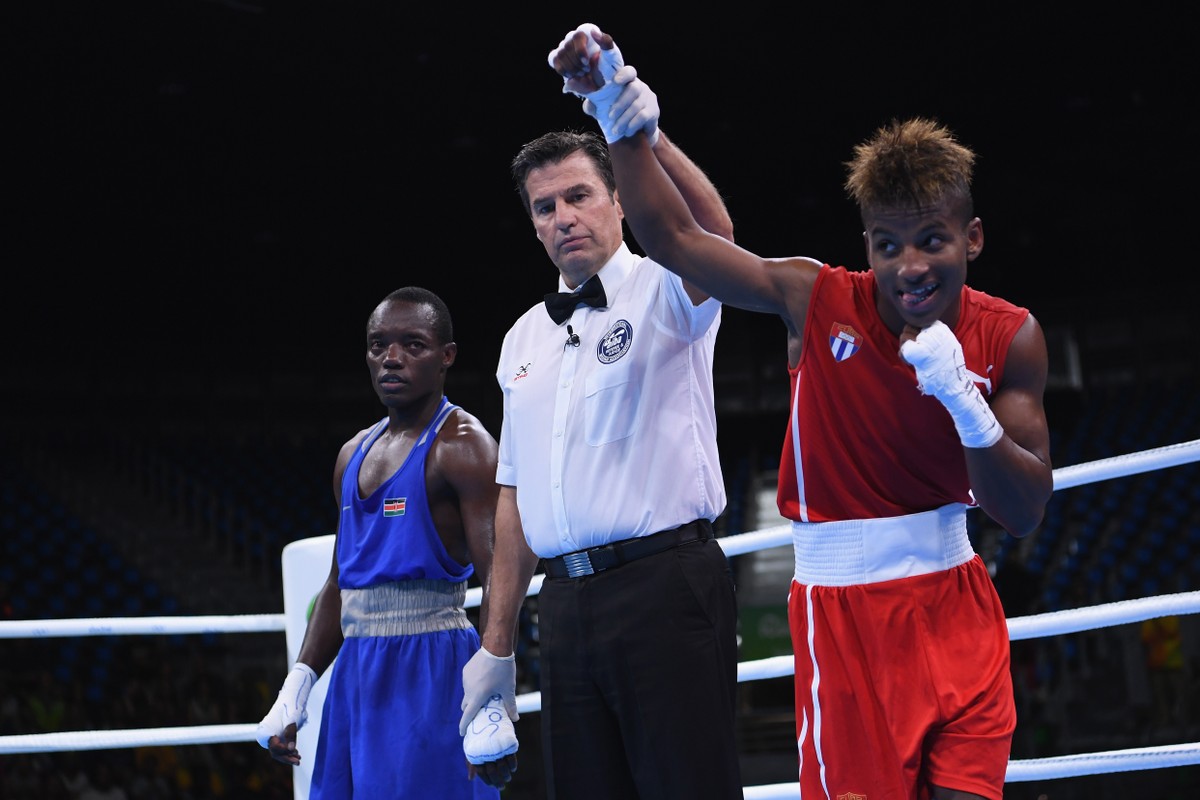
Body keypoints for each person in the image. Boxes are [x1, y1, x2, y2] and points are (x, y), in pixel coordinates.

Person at [552, 25, 1055, 800]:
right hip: (844, 619)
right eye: (890, 245)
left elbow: (1021, 511)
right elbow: (678, 240)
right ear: (868, 244)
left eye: (932, 241)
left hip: (958, 602)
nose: (911, 267)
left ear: (972, 238)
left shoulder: (1008, 335)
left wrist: (964, 400)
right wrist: (616, 114)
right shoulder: (814, 299)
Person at [458, 27, 745, 800]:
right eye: (544, 207)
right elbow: (515, 495)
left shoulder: (663, 289)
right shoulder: (522, 337)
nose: (562, 218)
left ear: (619, 195)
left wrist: (625, 117)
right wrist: (498, 644)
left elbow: (715, 237)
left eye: (579, 195)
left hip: (666, 587)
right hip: (568, 608)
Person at [255, 286, 505, 799]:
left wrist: (494, 695)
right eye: (378, 345)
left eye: (413, 344)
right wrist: (297, 686)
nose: (391, 358)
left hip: (433, 667)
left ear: (446, 357)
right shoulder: (352, 454)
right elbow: (338, 581)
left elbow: (501, 575)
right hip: (356, 673)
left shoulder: (465, 447)